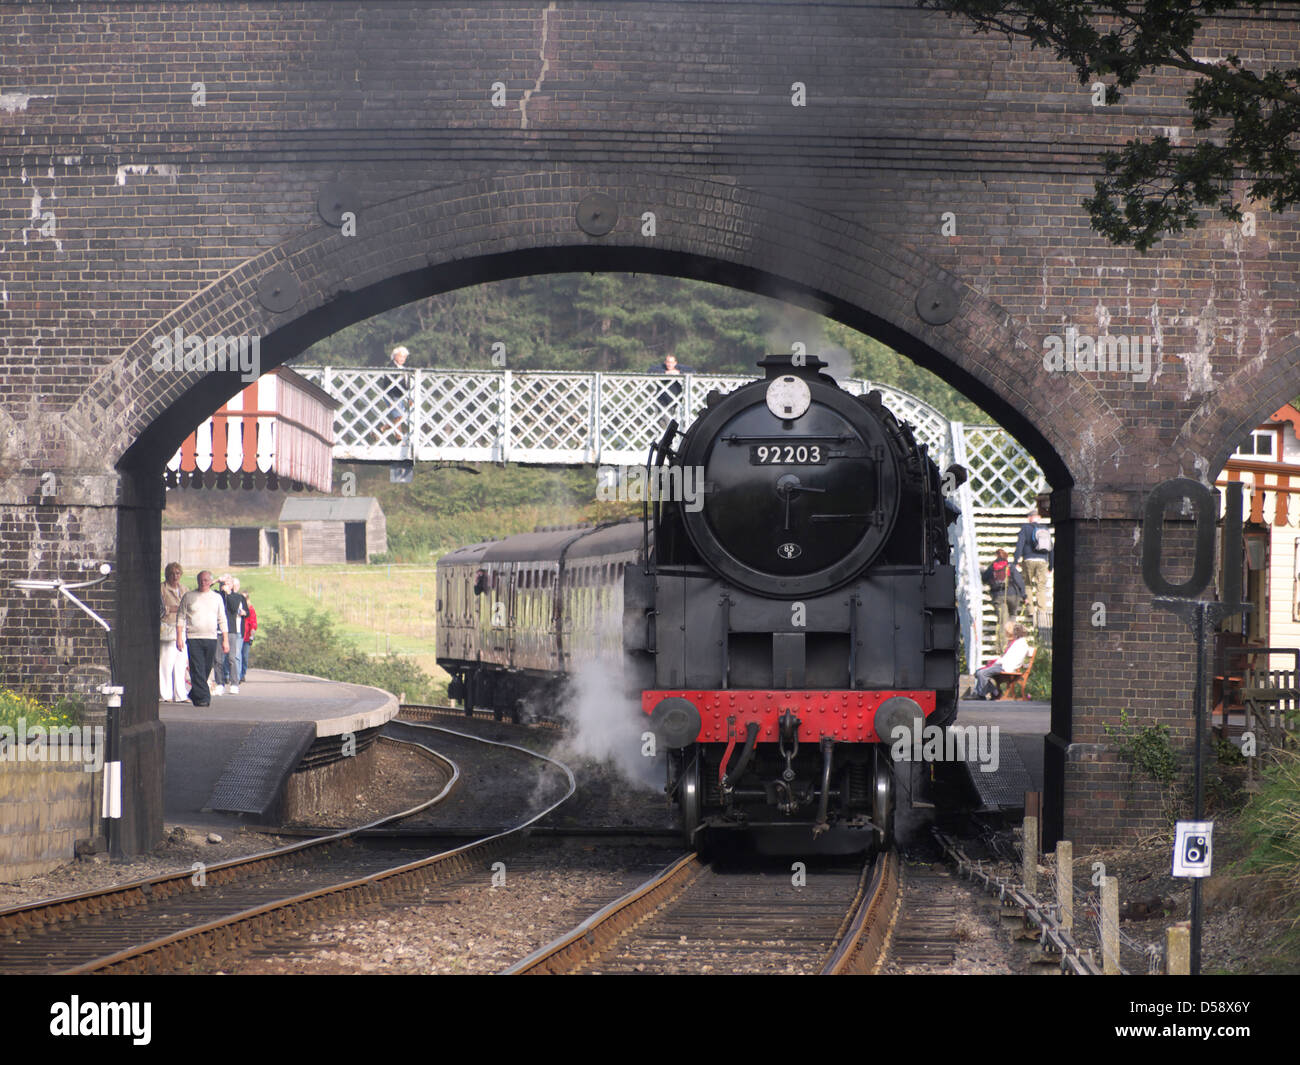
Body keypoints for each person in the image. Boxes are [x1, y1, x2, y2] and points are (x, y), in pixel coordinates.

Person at [176, 571, 228, 707]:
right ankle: (204, 698)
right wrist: (179, 637)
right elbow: (180, 617)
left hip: (211, 637)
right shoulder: (189, 596)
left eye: (205, 580)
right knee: (196, 667)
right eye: (200, 580)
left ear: (211, 582)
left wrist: (225, 639)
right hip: (193, 637)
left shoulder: (217, 598)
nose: (203, 583)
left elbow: (222, 619)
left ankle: (195, 693)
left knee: (206, 668)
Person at [1014, 508, 1053, 631]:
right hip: (1043, 561)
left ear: (1030, 518)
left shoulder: (1025, 528)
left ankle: (1030, 609)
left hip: (1028, 560)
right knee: (1041, 587)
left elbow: (1020, 544)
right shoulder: (1045, 529)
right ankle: (1042, 611)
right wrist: (1051, 565)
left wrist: (1015, 561)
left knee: (1028, 584)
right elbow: (1051, 547)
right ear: (1039, 517)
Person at [973, 623, 1031, 700]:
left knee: (981, 673)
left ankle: (981, 695)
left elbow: (1009, 659)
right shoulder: (1019, 643)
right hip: (1003, 665)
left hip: (1005, 667)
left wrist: (996, 662)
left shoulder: (1020, 644)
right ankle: (994, 691)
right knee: (978, 672)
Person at [981, 549, 1024, 651]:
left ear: (997, 556)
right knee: (1012, 616)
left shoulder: (993, 567)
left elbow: (984, 578)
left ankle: (1002, 647)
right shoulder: (1010, 566)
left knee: (1002, 621)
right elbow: (1019, 580)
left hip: (998, 596)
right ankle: (1013, 642)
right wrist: (1024, 595)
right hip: (1013, 595)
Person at [159, 562, 189, 702]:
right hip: (168, 627)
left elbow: (189, 607)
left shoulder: (184, 589)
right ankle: (165, 694)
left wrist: (175, 608)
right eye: (172, 573)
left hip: (182, 627)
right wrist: (173, 608)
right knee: (166, 662)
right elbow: (160, 609)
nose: (175, 576)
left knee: (181, 663)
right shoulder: (162, 588)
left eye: (177, 573)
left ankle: (181, 694)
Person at [218, 577, 248, 694]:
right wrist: (216, 581)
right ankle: (220, 682)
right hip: (218, 630)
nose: (226, 585)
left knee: (233, 657)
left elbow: (233, 607)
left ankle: (234, 682)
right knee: (218, 659)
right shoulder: (217, 596)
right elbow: (204, 588)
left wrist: (228, 593)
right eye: (224, 583)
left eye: (228, 583)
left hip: (232, 630)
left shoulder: (237, 597)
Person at [381, 345, 413, 442]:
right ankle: (398, 438)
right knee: (398, 416)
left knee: (400, 417)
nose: (402, 359)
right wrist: (390, 399)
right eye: (400, 356)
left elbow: (406, 385)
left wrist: (409, 398)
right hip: (392, 395)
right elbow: (387, 384)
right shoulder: (391, 367)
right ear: (394, 356)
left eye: (404, 357)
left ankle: (383, 430)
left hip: (400, 396)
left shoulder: (404, 368)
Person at [239, 591, 257, 683]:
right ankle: (237, 674)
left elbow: (253, 624)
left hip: (246, 637)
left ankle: (242, 674)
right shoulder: (238, 608)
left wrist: (251, 637)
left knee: (244, 657)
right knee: (237, 656)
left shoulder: (250, 609)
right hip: (238, 635)